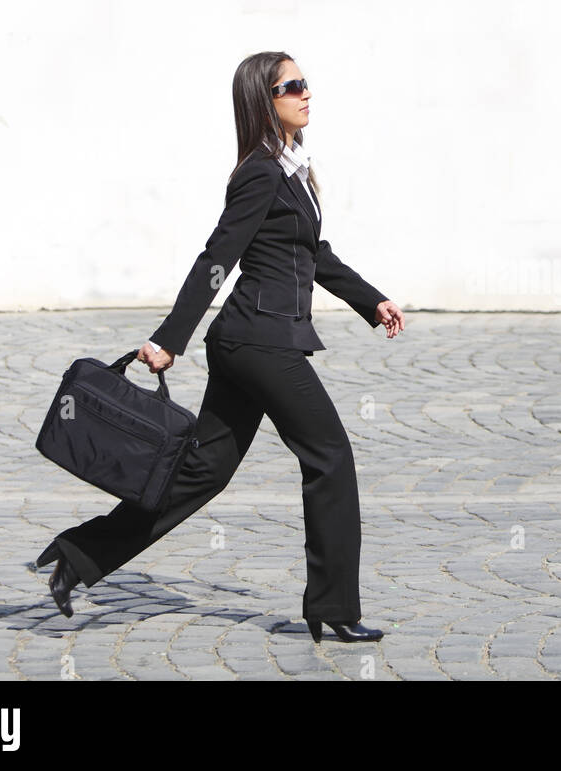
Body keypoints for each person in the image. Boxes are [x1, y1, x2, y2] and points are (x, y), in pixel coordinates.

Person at [35, 51, 405, 643]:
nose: (307, 94)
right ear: (266, 99)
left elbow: (316, 253)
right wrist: (168, 340)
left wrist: (371, 300)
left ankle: (79, 555)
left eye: (306, 83)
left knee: (201, 472)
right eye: (293, 86)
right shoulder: (261, 171)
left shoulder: (294, 169)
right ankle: (333, 605)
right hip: (259, 342)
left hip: (249, 341)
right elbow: (217, 259)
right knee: (330, 456)